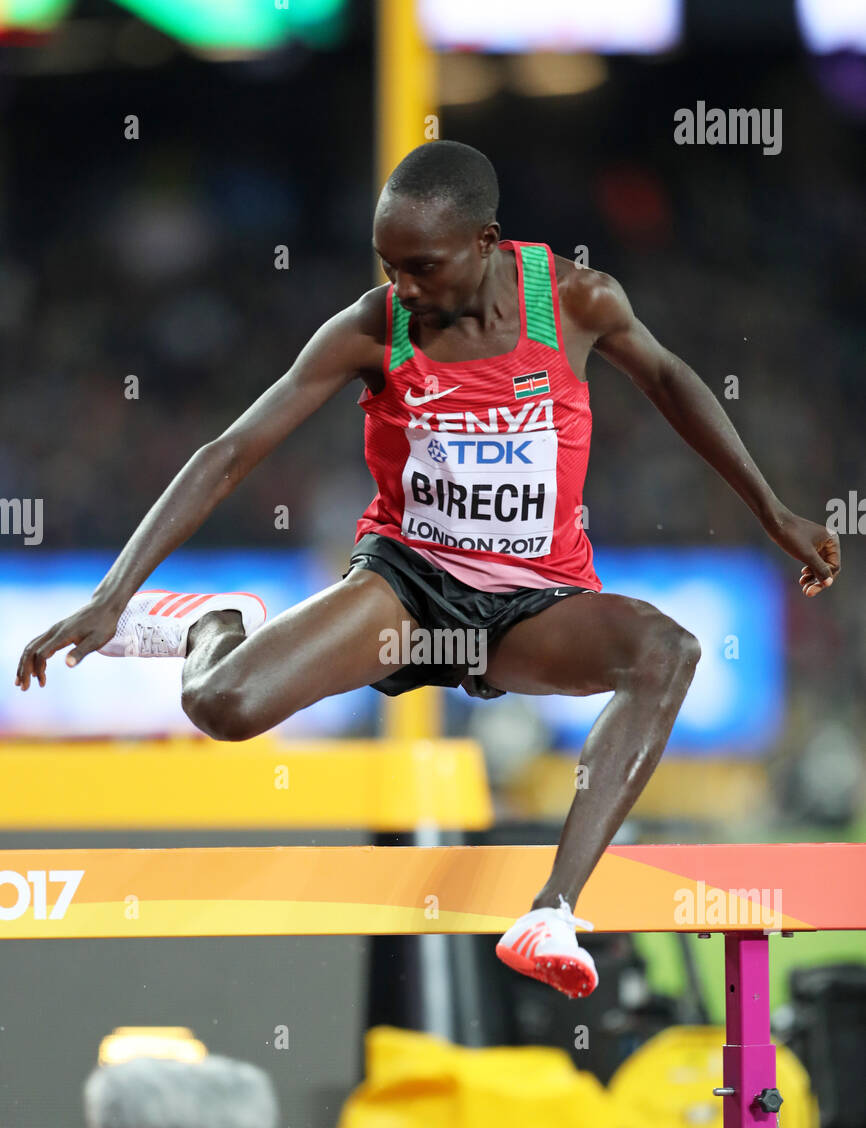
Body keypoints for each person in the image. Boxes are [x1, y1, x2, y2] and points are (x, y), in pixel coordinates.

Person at [16, 141, 840, 999]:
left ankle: (553, 909)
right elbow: (230, 452)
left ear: (486, 241)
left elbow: (671, 380)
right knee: (220, 706)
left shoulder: (576, 300)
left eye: (423, 266)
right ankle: (211, 624)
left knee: (666, 653)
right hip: (409, 590)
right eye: (390, 266)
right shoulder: (375, 330)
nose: (404, 288)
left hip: (535, 603)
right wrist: (114, 596)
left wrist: (773, 511)